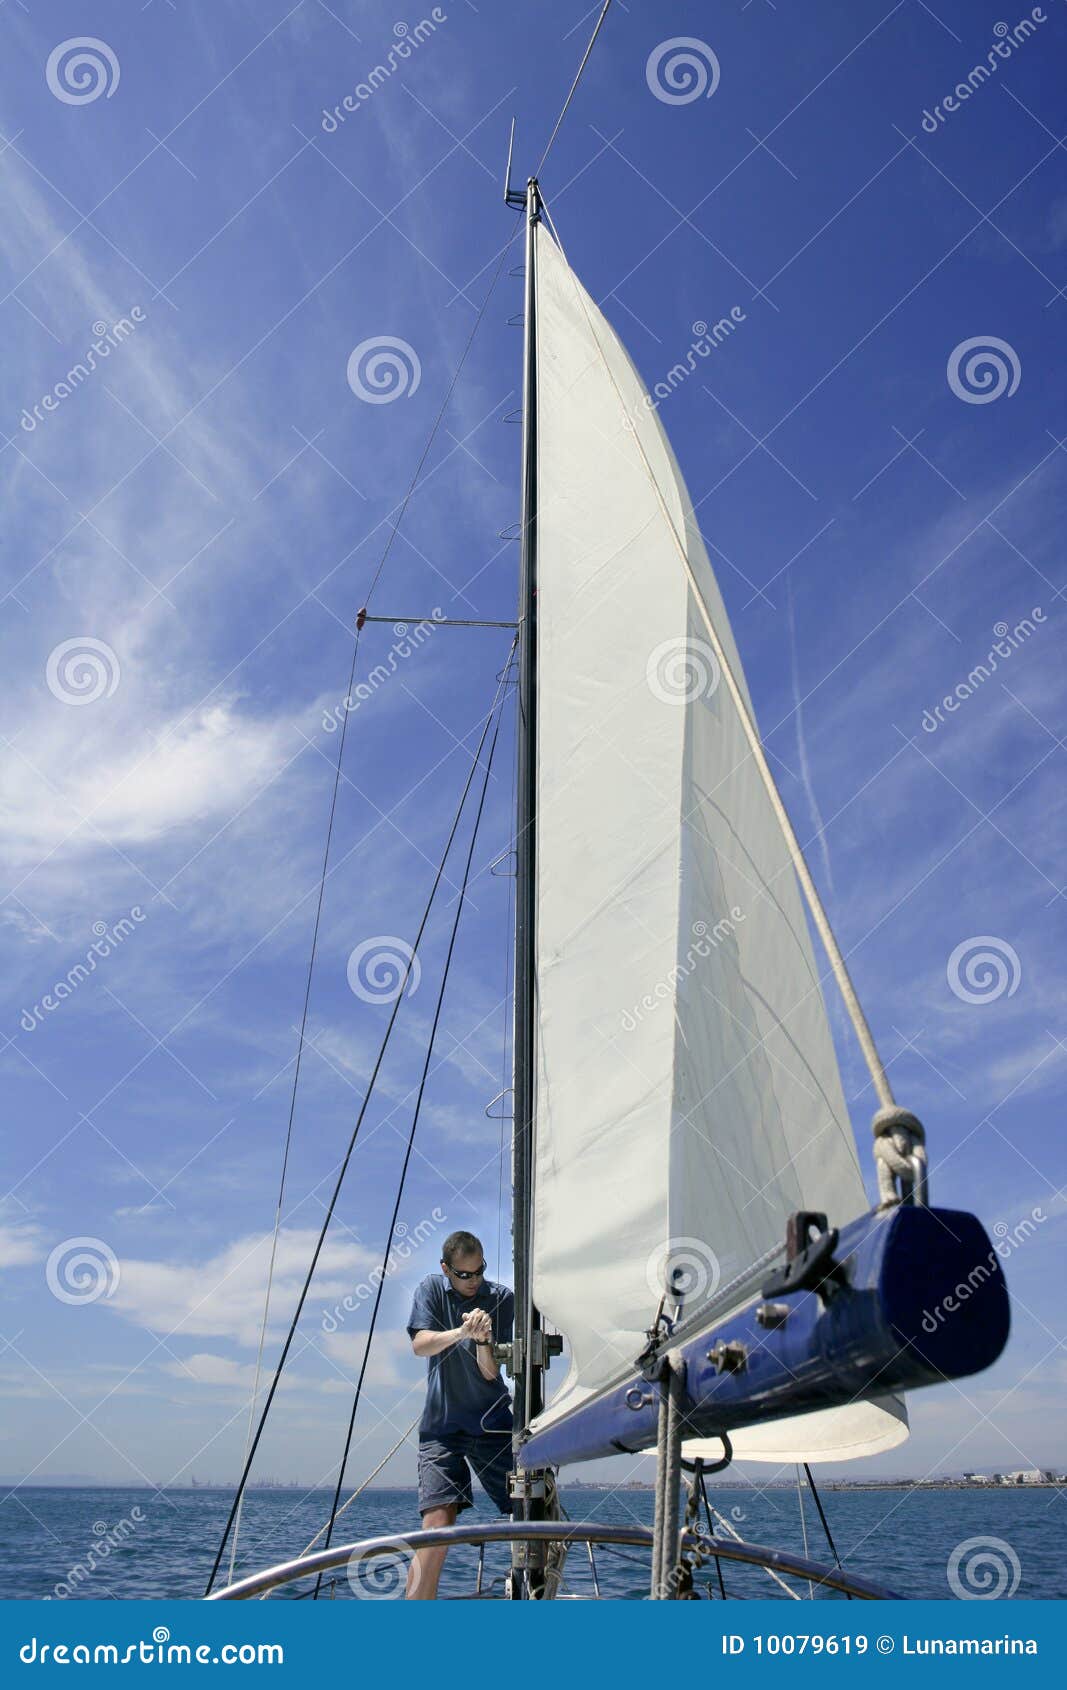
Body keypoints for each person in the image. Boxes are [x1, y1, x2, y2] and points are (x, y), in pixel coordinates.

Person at [404, 1230, 514, 1599]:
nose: (473, 1280)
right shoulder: (431, 1290)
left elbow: (490, 1373)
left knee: (531, 1509)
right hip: (443, 1428)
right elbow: (420, 1345)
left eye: (479, 1271)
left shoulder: (501, 1299)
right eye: (464, 1274)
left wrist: (482, 1340)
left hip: (493, 1425)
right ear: (446, 1269)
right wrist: (462, 1332)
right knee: (437, 1522)